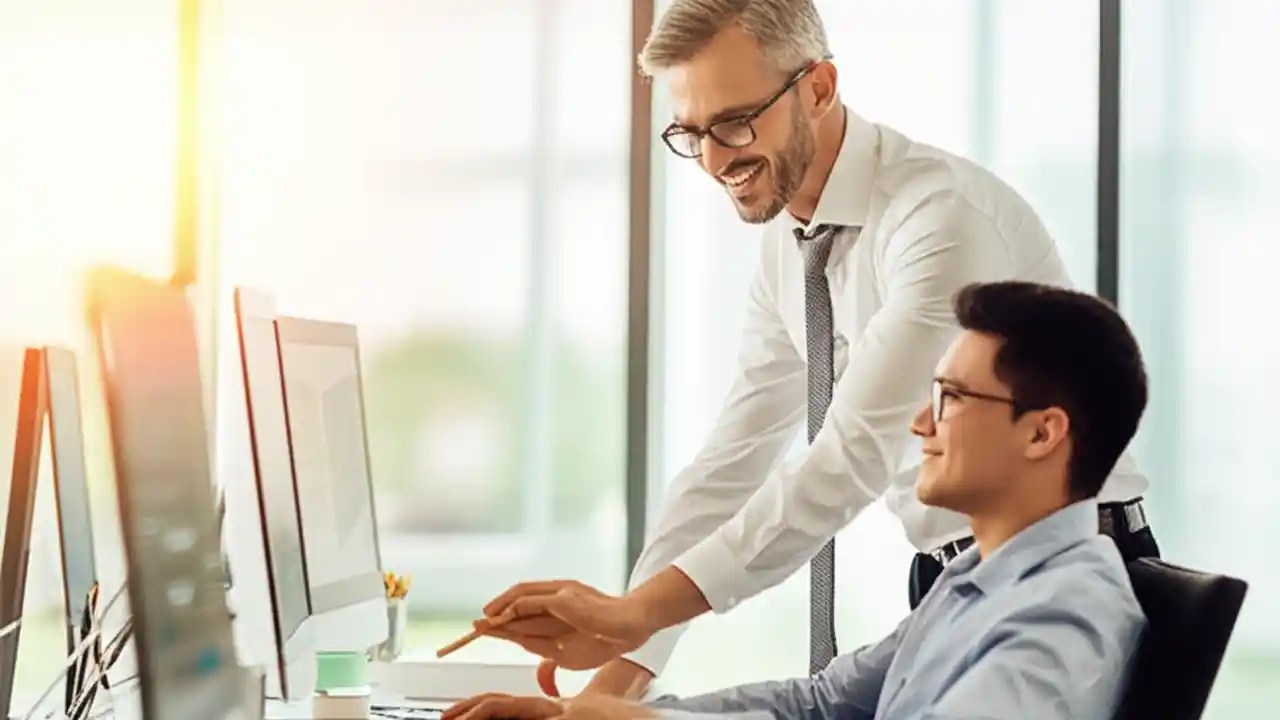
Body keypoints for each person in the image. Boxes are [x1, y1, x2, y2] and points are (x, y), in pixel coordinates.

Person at [481, 0, 1157, 699]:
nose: (714, 159)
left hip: (1058, 568)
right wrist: (610, 685)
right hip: (957, 575)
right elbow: (730, 463)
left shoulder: (938, 221)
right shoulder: (791, 244)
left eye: (735, 122)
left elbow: (851, 456)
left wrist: (637, 614)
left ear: (819, 88)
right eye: (691, 133)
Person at [444, 281, 1149, 720]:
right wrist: (587, 717)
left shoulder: (1064, 610)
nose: (920, 424)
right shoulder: (975, 579)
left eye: (951, 398)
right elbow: (819, 705)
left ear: (1042, 433)